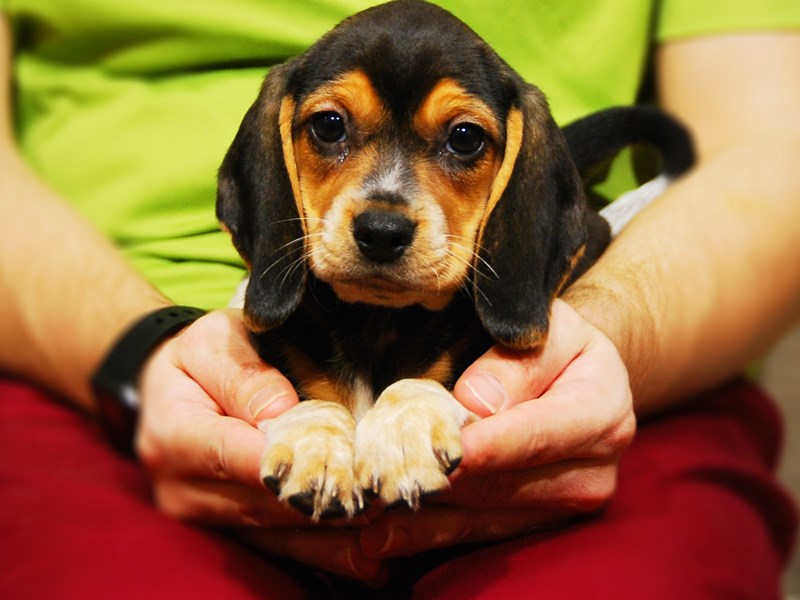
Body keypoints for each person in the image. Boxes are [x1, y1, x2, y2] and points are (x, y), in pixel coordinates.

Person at [1, 0, 798, 597]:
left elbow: (774, 157)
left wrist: (600, 333)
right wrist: (140, 355)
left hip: (607, 363)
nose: (386, 210)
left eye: (461, 141)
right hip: (96, 352)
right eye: (331, 129)